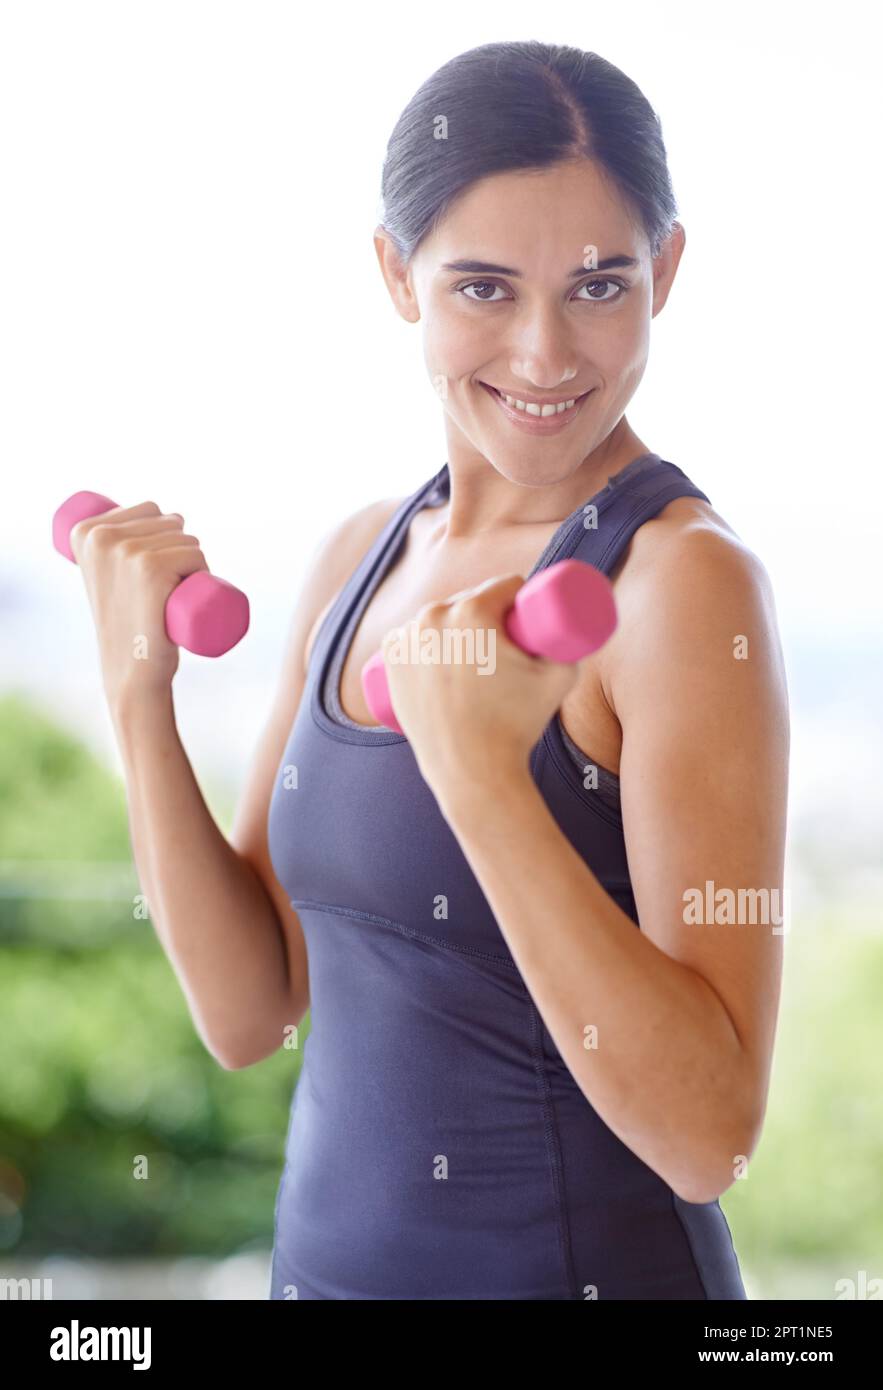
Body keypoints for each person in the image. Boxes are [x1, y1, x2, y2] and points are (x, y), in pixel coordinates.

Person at [73, 40, 789, 1300]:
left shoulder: (678, 586)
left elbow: (707, 1137)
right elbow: (252, 1014)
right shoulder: (363, 553)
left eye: (599, 284)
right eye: (482, 289)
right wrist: (140, 698)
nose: (544, 352)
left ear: (665, 270)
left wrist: (487, 782)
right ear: (396, 276)